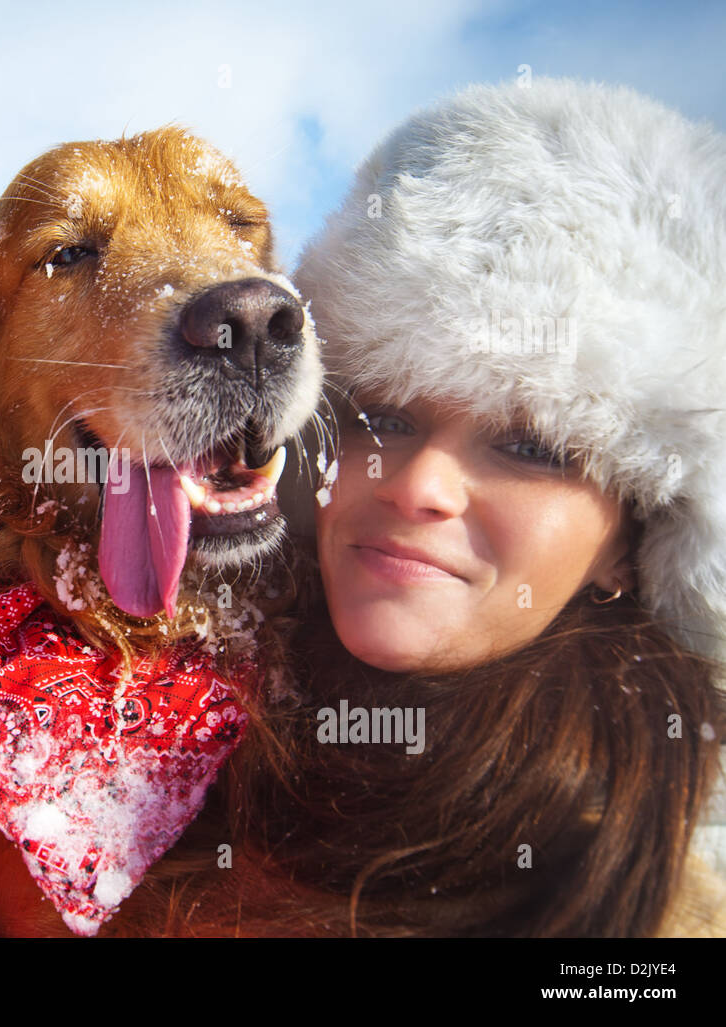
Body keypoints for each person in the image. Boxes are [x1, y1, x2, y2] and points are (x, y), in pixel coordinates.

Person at [257, 77, 726, 935]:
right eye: (387, 416)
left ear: (634, 539)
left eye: (531, 448)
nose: (419, 485)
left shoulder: (644, 900)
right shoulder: (172, 716)